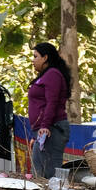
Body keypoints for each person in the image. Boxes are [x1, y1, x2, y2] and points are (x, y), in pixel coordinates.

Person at [27, 42, 71, 176]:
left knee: (48, 175)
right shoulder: (45, 76)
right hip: (43, 132)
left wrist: (44, 126)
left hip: (52, 129)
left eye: (35, 56)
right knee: (37, 173)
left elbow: (52, 102)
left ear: (45, 58)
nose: (32, 60)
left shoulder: (53, 74)